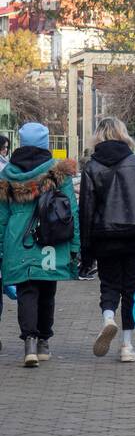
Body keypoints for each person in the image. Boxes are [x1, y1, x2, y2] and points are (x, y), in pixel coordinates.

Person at [78, 116, 135, 363]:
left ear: (99, 136)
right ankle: (127, 346)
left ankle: (108, 318)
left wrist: (85, 252)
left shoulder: (91, 168)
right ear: (123, 134)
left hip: (105, 238)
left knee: (109, 285)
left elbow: (85, 211)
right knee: (131, 291)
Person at [0, 122, 80, 366]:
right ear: (46, 144)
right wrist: (75, 245)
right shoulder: (58, 172)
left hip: (17, 241)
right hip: (50, 240)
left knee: (26, 291)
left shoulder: (7, 174)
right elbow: (71, 211)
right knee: (47, 290)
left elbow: (2, 217)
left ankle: (29, 344)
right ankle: (44, 341)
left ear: (20, 144)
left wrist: (2, 249)